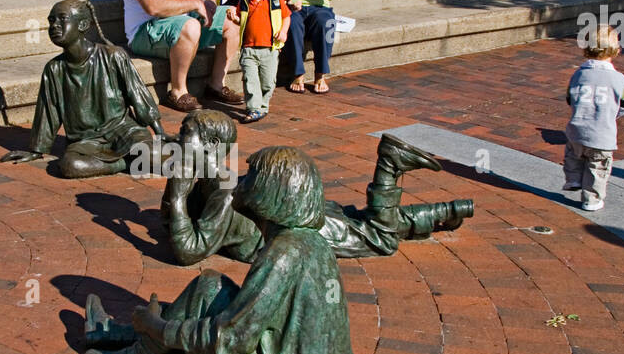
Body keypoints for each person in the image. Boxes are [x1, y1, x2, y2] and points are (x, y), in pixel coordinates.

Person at [82, 146, 380, 354]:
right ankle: (137, 342)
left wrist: (159, 328)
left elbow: (231, 339)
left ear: (271, 191)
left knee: (205, 295)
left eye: (251, 176)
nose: (242, 181)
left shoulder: (283, 255)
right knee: (209, 285)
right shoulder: (311, 242)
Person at [161, 111, 473, 266]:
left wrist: (177, 196)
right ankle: (446, 211)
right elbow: (169, 222)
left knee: (381, 238)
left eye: (185, 134)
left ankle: (389, 164)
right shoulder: (212, 180)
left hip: (304, 229)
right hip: (295, 212)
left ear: (212, 146)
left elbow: (188, 251)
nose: (177, 138)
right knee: (367, 223)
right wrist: (177, 185)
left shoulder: (223, 194)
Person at [0, 0, 164, 177]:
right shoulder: (54, 69)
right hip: (85, 141)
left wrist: (160, 133)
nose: (55, 26)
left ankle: (132, 159)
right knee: (70, 166)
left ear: (83, 24)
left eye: (62, 19)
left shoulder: (113, 55)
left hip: (123, 130)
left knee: (152, 153)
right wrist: (36, 150)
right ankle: (126, 162)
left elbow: (138, 94)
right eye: (51, 21)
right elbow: (48, 112)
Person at [563, 25, 624, 212]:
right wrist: (613, 115)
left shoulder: (578, 74)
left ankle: (573, 179)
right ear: (616, 51)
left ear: (585, 48)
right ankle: (591, 199)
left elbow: (570, 98)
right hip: (602, 135)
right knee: (598, 167)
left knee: (573, 155)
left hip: (576, 130)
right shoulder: (619, 79)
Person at [225, 0, 290, 124]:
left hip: (270, 48)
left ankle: (263, 106)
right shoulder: (245, 0)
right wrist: (233, 13)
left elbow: (287, 16)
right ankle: (254, 108)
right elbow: (241, 18)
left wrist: (283, 32)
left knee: (268, 82)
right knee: (250, 80)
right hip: (249, 49)